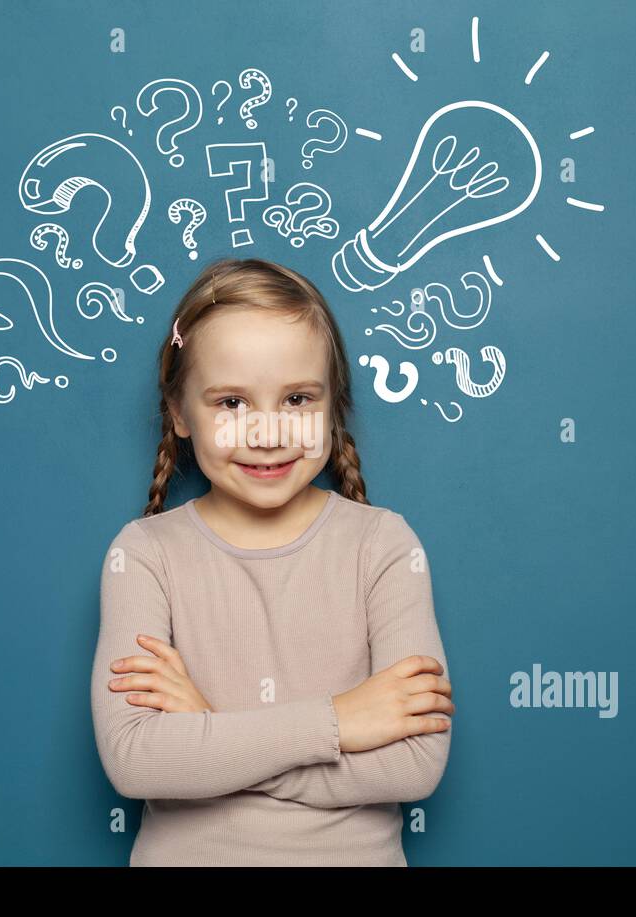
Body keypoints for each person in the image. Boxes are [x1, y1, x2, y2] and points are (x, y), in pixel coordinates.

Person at [90, 257, 453, 866]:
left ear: (333, 408)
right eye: (232, 402)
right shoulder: (145, 554)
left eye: (297, 399)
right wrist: (339, 721)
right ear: (179, 412)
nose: (266, 433)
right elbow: (137, 760)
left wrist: (209, 726)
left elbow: (413, 765)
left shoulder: (384, 546)